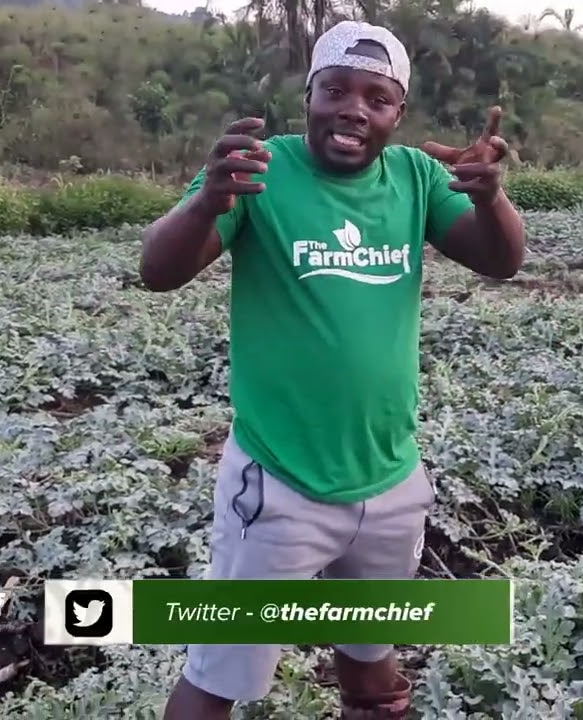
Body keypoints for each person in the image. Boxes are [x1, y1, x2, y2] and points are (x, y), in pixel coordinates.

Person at [138, 19, 526, 720]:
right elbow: (158, 271)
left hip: (390, 479)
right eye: (337, 90)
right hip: (279, 481)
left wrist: (489, 195)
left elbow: (500, 261)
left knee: (373, 667)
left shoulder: (413, 176)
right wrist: (206, 203)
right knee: (217, 677)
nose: (354, 108)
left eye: (376, 97)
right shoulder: (260, 168)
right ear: (309, 95)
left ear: (396, 114)